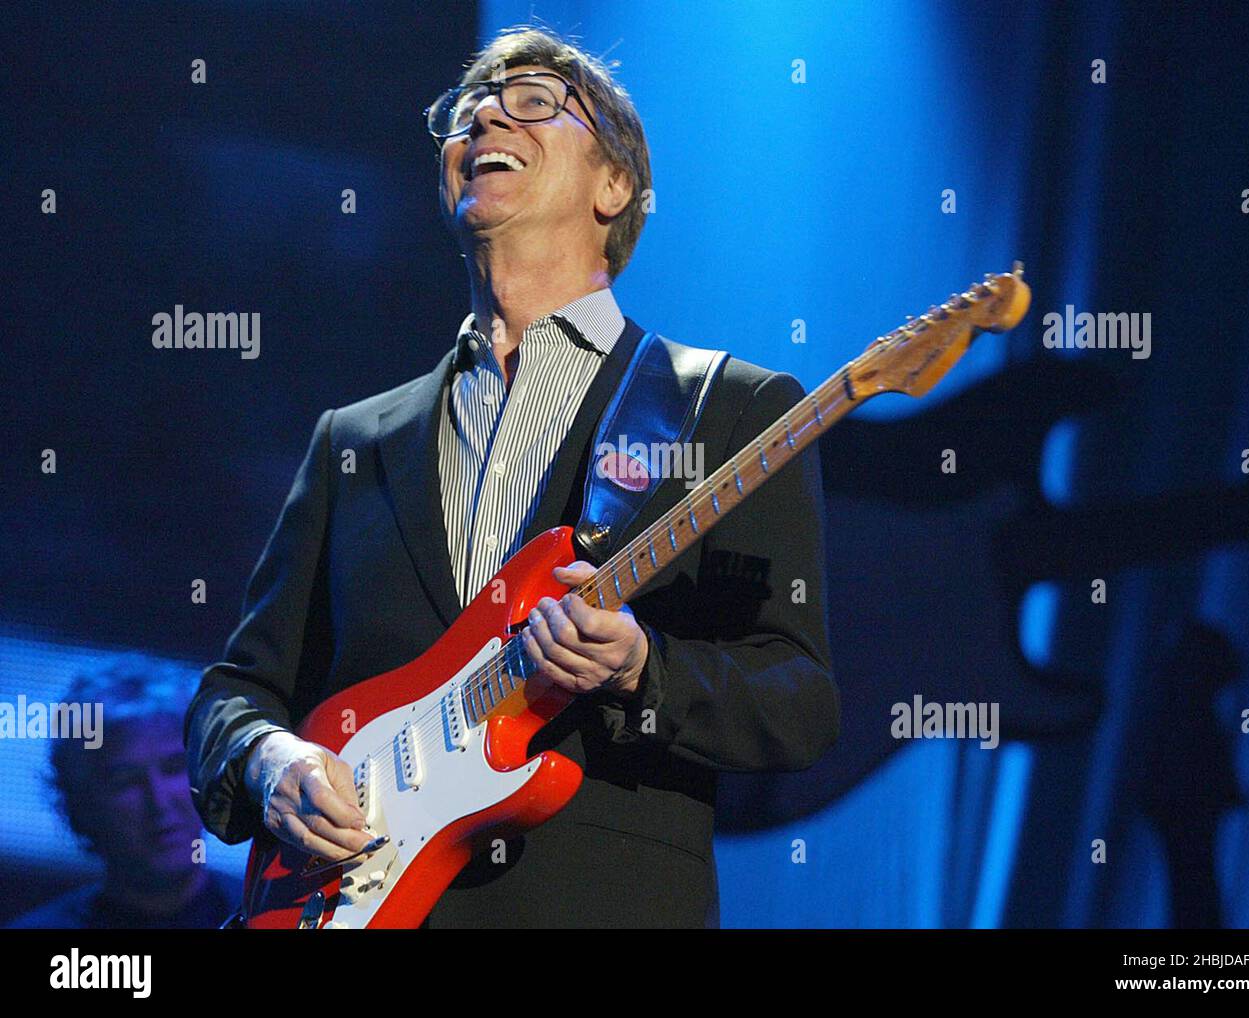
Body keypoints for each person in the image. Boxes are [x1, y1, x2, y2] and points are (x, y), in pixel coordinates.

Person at [184, 25, 839, 928]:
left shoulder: (726, 410)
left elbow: (799, 701)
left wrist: (645, 668)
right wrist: (271, 763)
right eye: (465, 113)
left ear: (616, 187)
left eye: (533, 101)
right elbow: (237, 690)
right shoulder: (357, 439)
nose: (485, 114)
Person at [9, 656, 242, 929]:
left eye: (174, 768)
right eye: (126, 781)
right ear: (79, 804)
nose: (159, 801)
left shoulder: (273, 917)